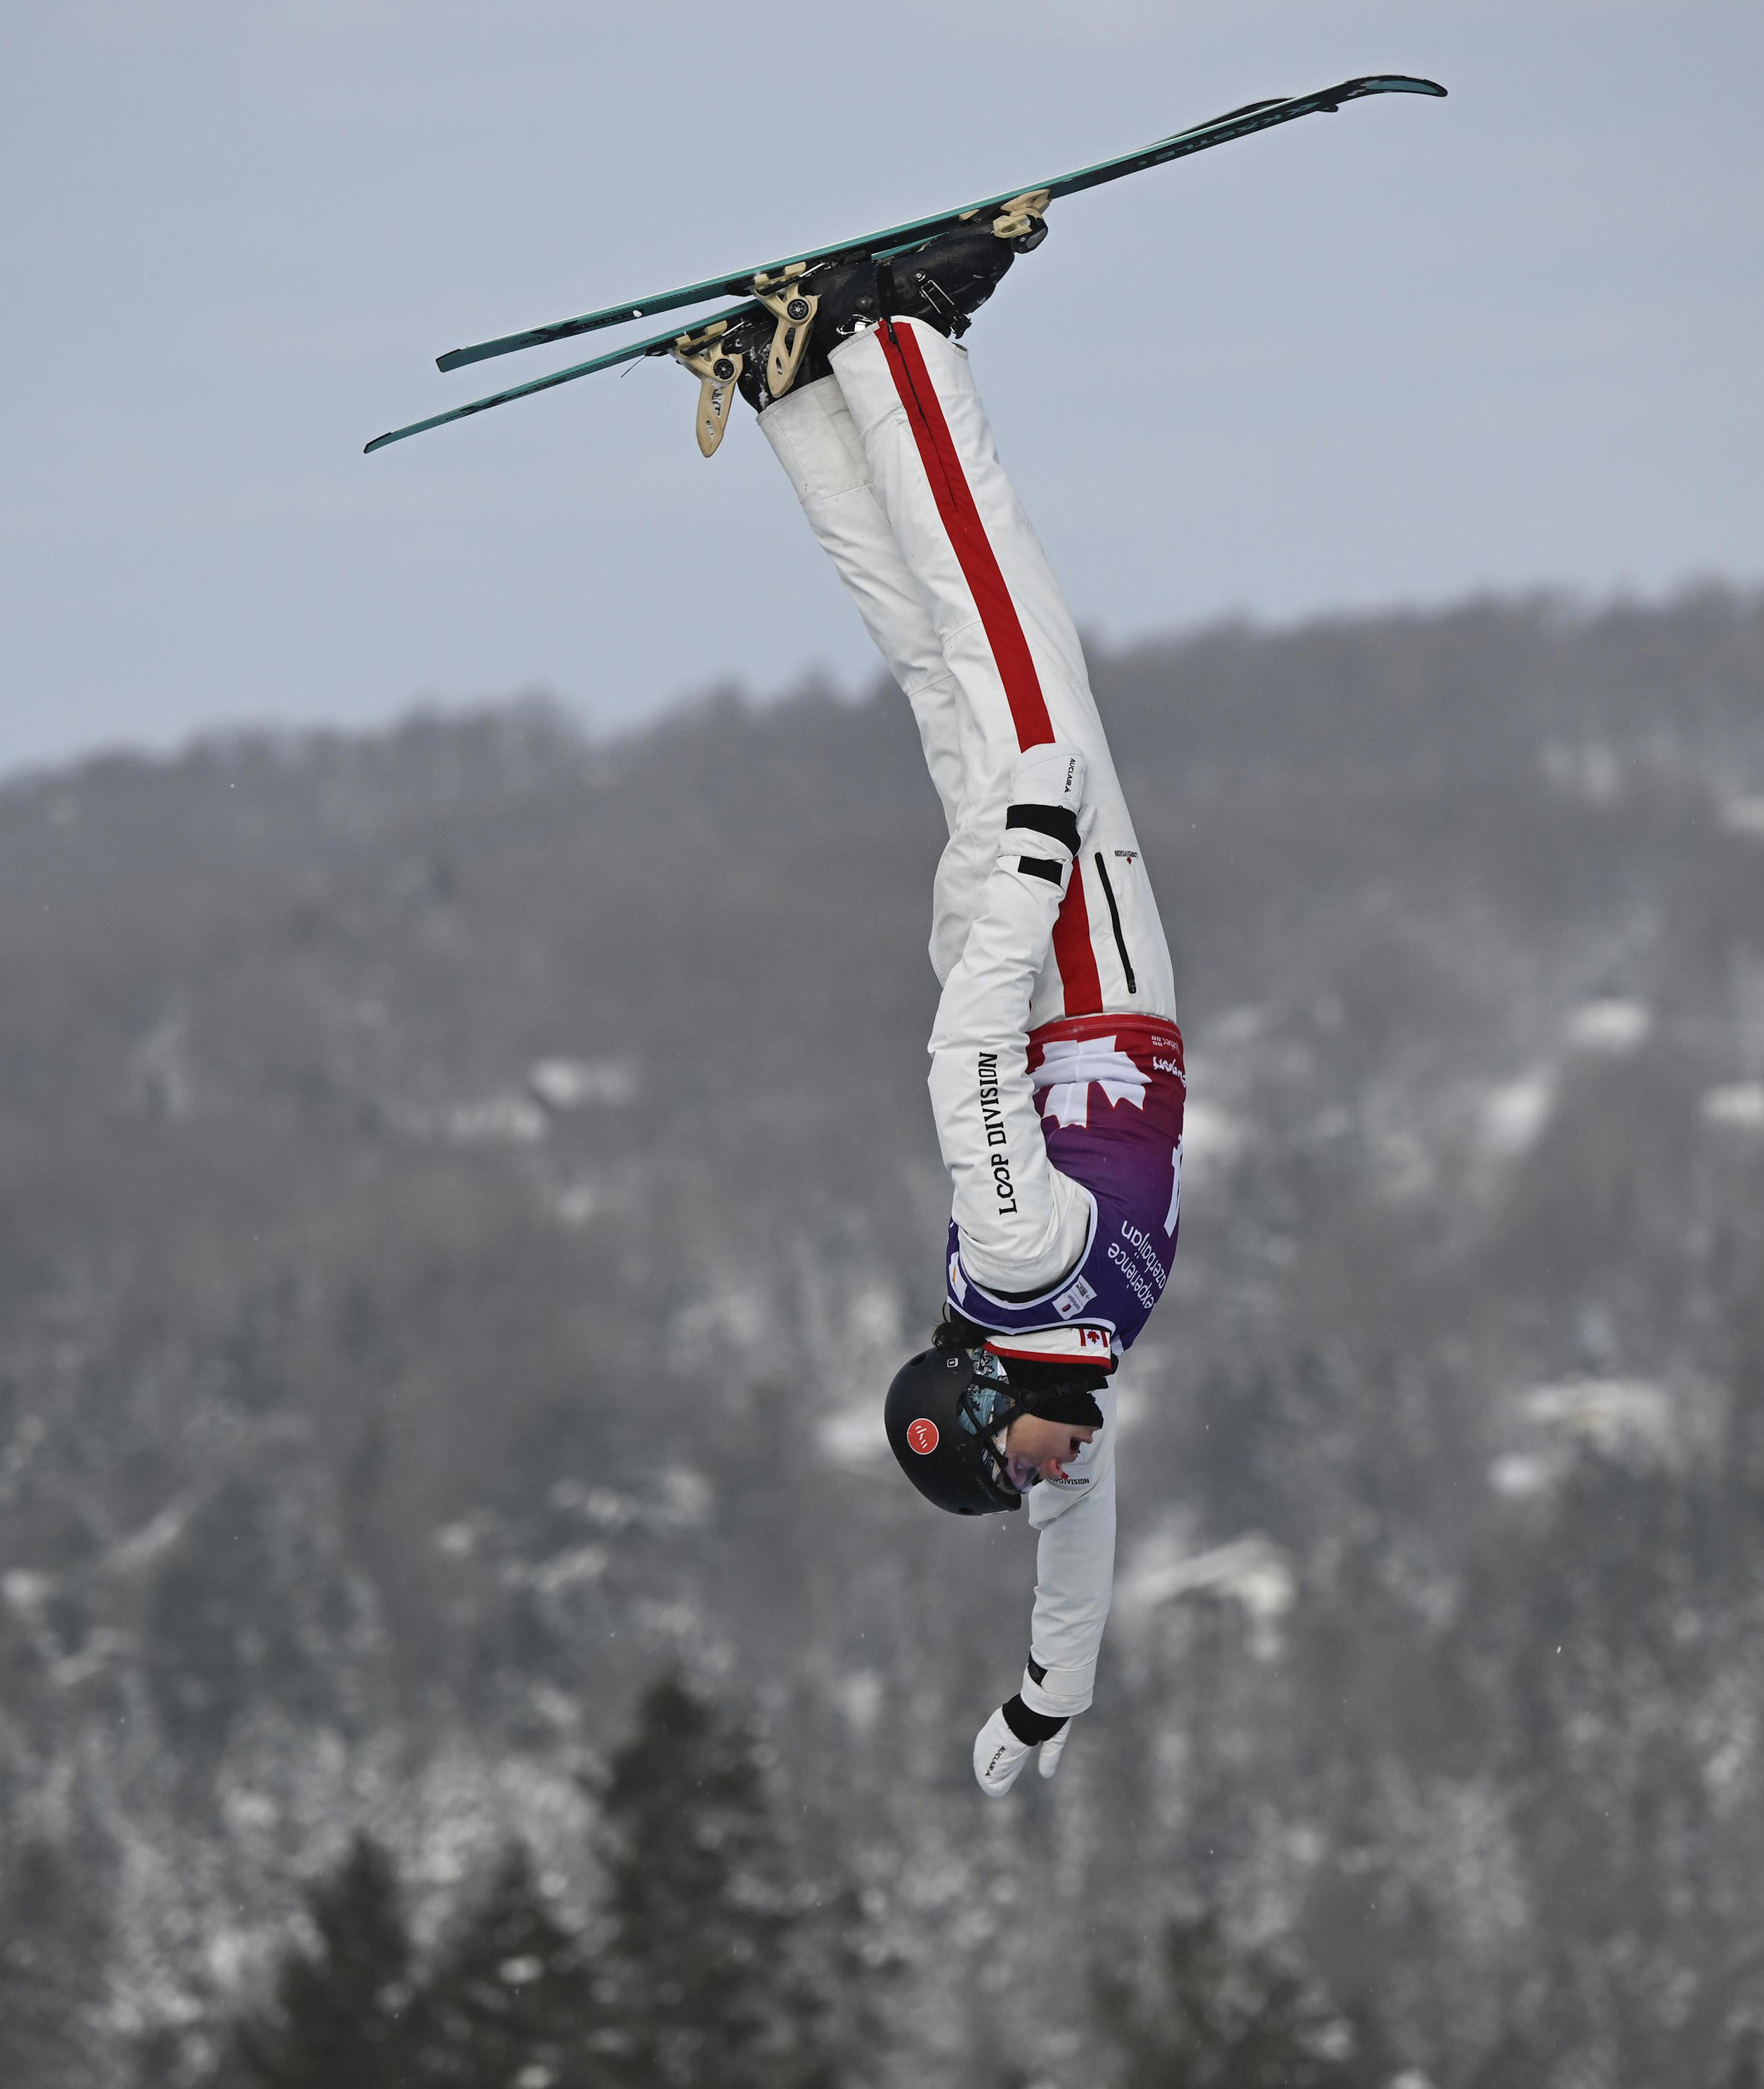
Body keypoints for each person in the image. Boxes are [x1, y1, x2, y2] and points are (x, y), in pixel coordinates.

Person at [698, 218, 1185, 1795]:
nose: (1053, 1476)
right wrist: (1048, 1697)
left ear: (987, 1397)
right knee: (940, 669)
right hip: (1057, 969)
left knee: (1009, 647)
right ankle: (796, 393)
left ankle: (894, 339)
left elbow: (962, 1052)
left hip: (1068, 967)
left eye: (1020, 1464)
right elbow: (1077, 1547)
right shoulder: (1059, 1382)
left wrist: (1034, 862)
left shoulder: (1023, 1262)